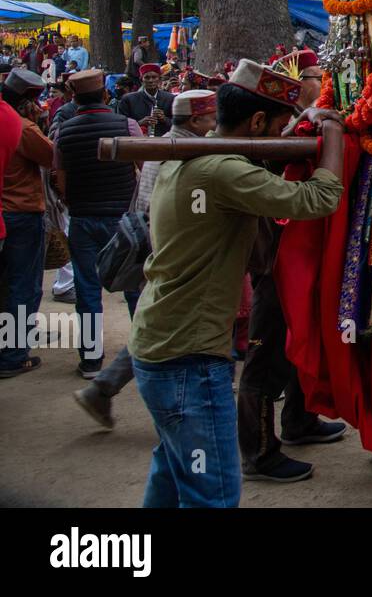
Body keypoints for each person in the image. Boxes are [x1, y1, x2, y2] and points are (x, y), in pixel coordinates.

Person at [129, 61, 345, 507]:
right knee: (213, 495)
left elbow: (257, 155)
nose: (283, 136)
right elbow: (321, 198)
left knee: (172, 477)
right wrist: (334, 133)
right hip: (188, 357)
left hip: (160, 344)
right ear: (258, 122)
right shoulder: (222, 171)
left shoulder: (195, 153)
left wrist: (300, 124)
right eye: (279, 126)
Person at [72, 89, 219, 428]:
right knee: (161, 325)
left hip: (161, 247)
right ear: (196, 120)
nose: (213, 126)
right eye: (210, 119)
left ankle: (105, 387)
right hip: (171, 251)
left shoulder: (168, 143)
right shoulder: (181, 150)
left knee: (157, 323)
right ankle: (108, 388)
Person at [54, 69, 144, 379]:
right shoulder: (126, 125)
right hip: (123, 220)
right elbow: (145, 169)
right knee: (133, 286)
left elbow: (60, 182)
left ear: (74, 98)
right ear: (105, 95)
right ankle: (144, 352)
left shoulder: (63, 132)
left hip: (82, 220)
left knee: (87, 290)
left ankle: (91, 360)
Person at [0, 69, 53, 378]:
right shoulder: (23, 127)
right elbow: (52, 157)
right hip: (20, 214)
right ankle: (13, 356)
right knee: (24, 287)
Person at [117, 63, 175, 136]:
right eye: (147, 77)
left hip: (164, 142)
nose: (150, 81)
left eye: (154, 77)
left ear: (160, 79)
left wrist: (165, 119)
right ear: (141, 80)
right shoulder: (128, 100)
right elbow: (121, 125)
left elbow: (178, 125)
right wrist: (139, 123)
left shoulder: (170, 99)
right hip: (137, 143)